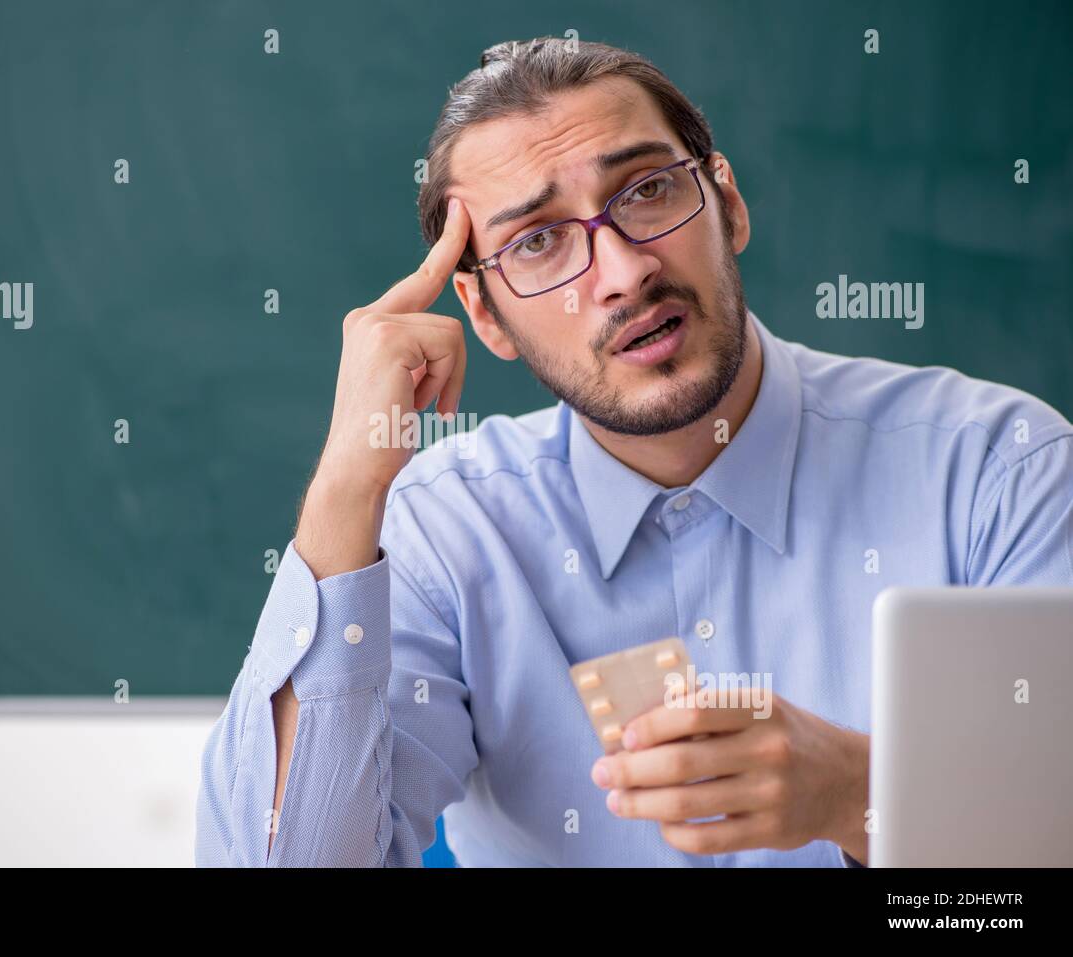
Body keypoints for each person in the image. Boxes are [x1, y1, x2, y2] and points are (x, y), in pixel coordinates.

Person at [195, 37, 1073, 867]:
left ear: (726, 203)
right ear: (486, 314)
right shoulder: (447, 535)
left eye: (648, 190)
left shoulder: (999, 470)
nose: (621, 271)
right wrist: (350, 479)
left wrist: (865, 794)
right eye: (538, 241)